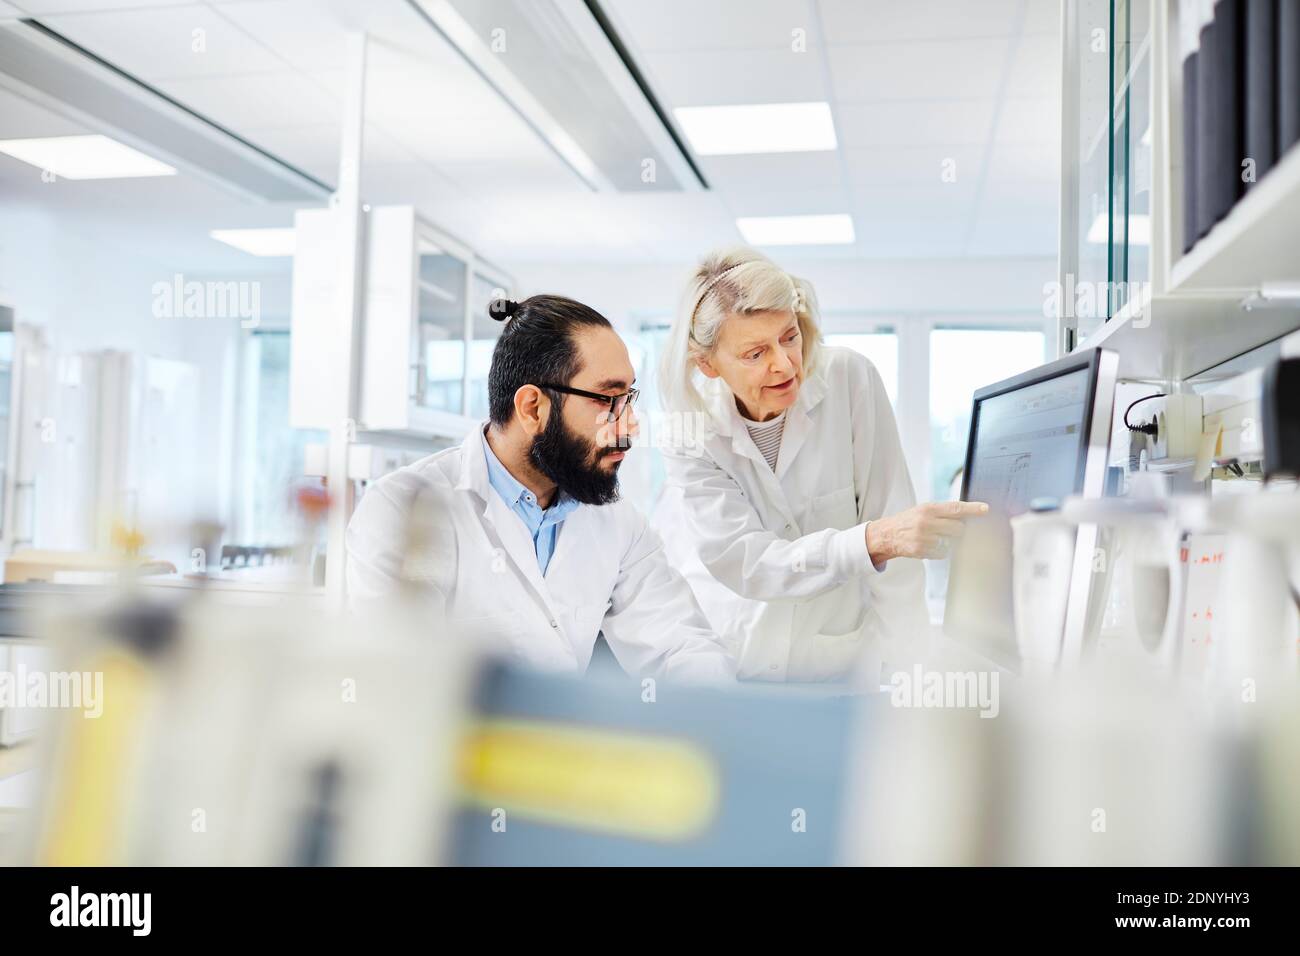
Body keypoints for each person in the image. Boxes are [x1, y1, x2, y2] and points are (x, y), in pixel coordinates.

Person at [346, 294, 735, 685]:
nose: (630, 426)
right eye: (608, 400)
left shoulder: (617, 522)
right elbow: (398, 682)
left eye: (629, 398)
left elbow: (680, 645)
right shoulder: (403, 511)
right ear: (533, 408)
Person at [653, 247, 987, 683]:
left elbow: (897, 540)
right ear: (708, 364)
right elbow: (747, 561)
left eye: (789, 336)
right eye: (755, 354)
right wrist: (871, 541)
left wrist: (912, 675)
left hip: (836, 662)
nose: (784, 363)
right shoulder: (691, 434)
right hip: (737, 659)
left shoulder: (849, 379)